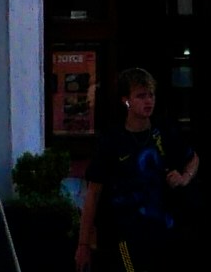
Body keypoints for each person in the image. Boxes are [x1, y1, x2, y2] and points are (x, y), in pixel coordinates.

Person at [75, 62, 195, 272]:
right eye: (141, 96)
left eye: (151, 95)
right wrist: (83, 243)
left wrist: (184, 177)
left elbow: (192, 158)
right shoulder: (112, 140)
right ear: (126, 100)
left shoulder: (163, 132)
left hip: (162, 230)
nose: (148, 101)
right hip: (123, 234)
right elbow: (93, 192)